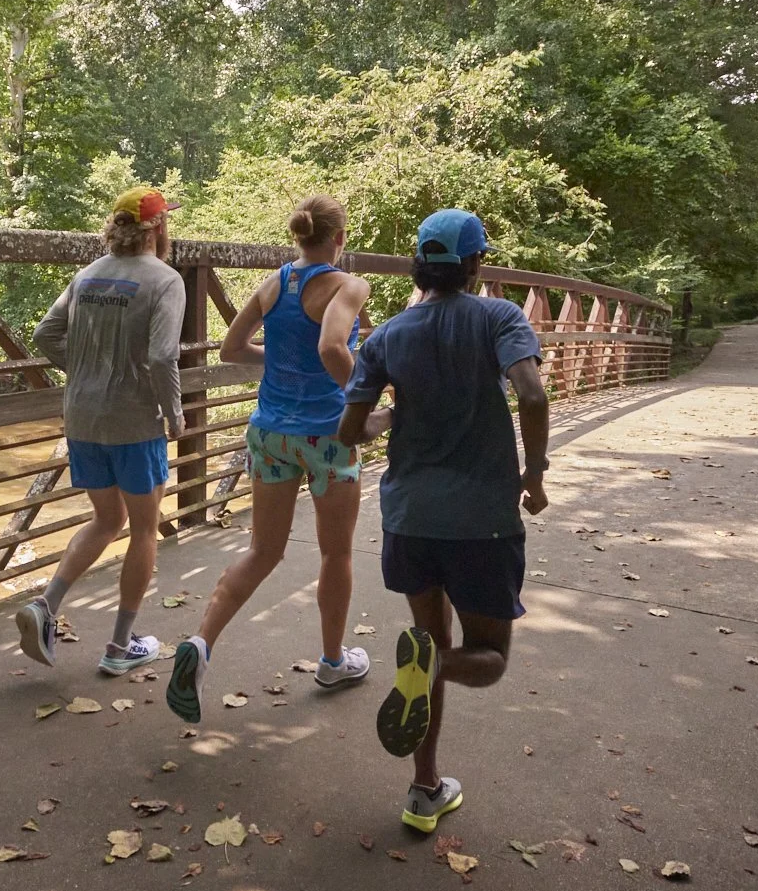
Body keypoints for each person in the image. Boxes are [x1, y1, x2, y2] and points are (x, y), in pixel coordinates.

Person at [337, 210, 550, 834]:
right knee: (484, 658)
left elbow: (352, 430)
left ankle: (425, 789)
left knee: (426, 641)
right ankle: (430, 667)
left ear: (418, 266)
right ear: (476, 264)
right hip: (481, 521)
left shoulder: (384, 338)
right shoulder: (499, 317)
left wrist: (388, 422)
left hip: (409, 519)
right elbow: (532, 396)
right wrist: (533, 475)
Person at [167, 196, 374, 723]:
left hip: (270, 434)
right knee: (336, 554)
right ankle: (332, 661)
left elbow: (231, 349)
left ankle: (201, 642)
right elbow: (332, 348)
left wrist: (284, 362)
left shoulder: (274, 283)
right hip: (327, 437)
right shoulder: (348, 285)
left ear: (299, 238)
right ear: (339, 239)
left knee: (263, 550)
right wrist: (365, 400)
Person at [17, 187, 185, 675]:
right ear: (157, 228)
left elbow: (45, 334)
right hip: (134, 420)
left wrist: (89, 370)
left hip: (83, 417)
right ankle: (118, 647)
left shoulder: (87, 275)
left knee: (106, 520)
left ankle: (45, 604)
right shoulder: (165, 280)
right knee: (145, 529)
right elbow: (160, 356)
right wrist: (173, 413)